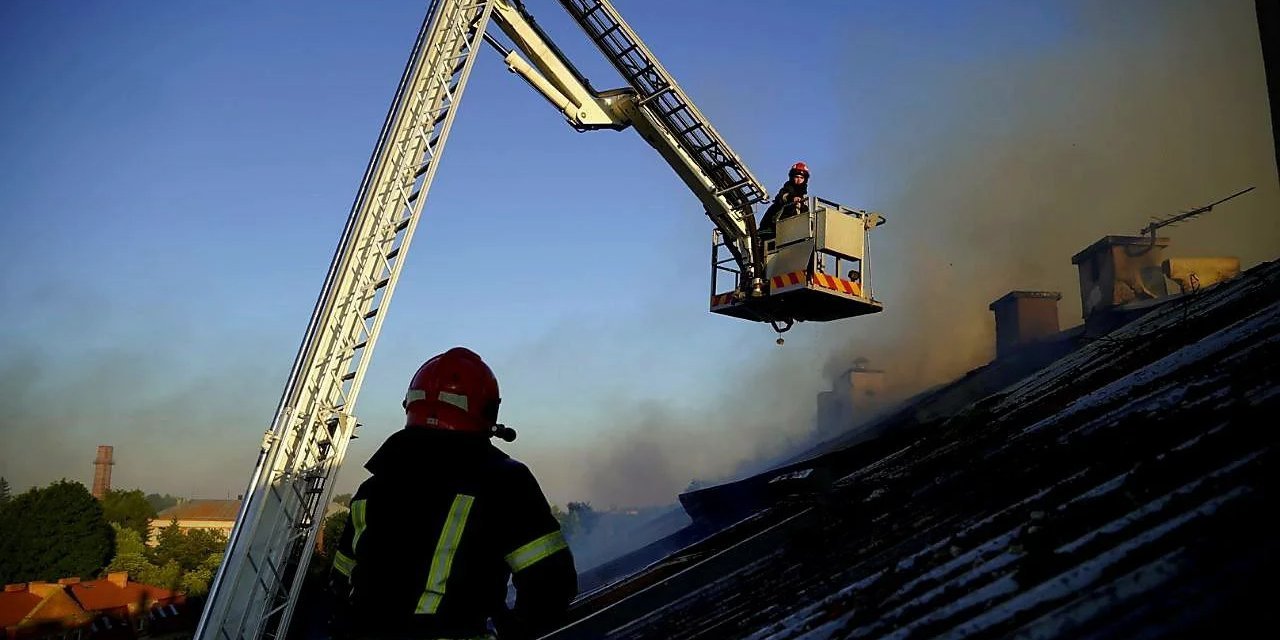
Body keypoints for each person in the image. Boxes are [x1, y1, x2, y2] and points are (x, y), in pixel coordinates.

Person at [328, 347, 577, 640]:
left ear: (410, 405)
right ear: (487, 410)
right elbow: (551, 587)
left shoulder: (371, 489)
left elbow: (339, 586)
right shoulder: (504, 481)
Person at [758, 162, 811, 240]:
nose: (799, 180)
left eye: (801, 178)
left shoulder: (804, 198)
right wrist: (791, 199)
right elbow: (781, 198)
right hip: (774, 227)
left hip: (793, 232)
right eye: (796, 177)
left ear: (805, 179)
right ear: (792, 177)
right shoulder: (787, 189)